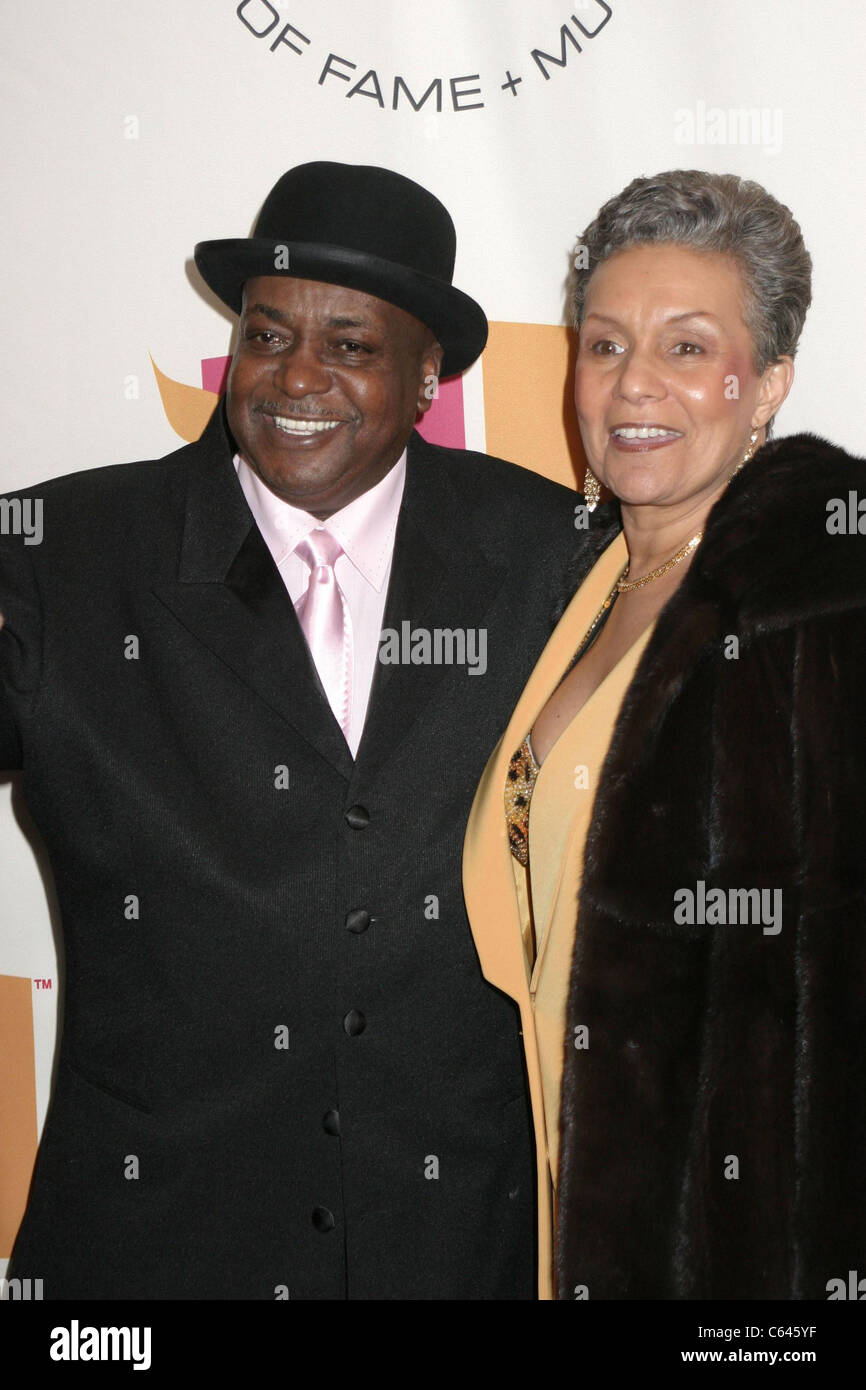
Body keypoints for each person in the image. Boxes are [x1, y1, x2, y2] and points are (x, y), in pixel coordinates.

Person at [0, 160, 581, 1299]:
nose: (296, 376)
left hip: (458, 1247)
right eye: (267, 336)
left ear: (426, 380)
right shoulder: (58, 555)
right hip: (153, 1253)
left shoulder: (551, 555)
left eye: (352, 347)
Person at [463, 168, 866, 1299]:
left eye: (688, 348)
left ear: (768, 378)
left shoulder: (818, 587)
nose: (632, 383)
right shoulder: (588, 583)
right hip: (577, 1219)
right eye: (603, 344)